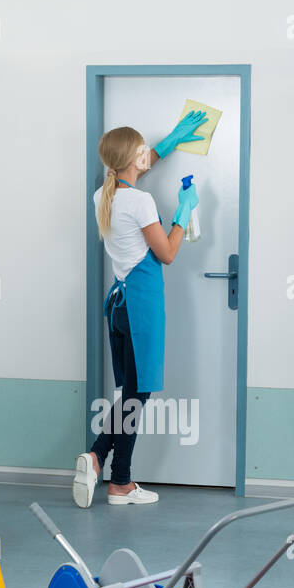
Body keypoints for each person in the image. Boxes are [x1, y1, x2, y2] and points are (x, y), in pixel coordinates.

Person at [72, 113, 205, 508]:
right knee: (137, 392)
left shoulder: (106, 194)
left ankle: (117, 478)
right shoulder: (140, 201)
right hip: (141, 305)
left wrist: (172, 141)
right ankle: (104, 462)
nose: (149, 153)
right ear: (133, 157)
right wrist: (183, 212)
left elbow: (133, 177)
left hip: (118, 306)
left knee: (131, 391)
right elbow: (166, 253)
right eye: (144, 150)